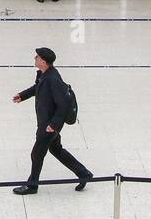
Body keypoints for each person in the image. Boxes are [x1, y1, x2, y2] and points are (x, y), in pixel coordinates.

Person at [11, 47, 92, 195]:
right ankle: (83, 173)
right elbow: (38, 88)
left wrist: (53, 125)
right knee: (56, 149)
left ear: (43, 61)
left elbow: (64, 104)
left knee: (36, 154)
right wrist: (22, 96)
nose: (34, 58)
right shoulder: (46, 75)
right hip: (47, 122)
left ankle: (32, 185)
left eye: (37, 57)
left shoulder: (53, 79)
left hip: (49, 125)